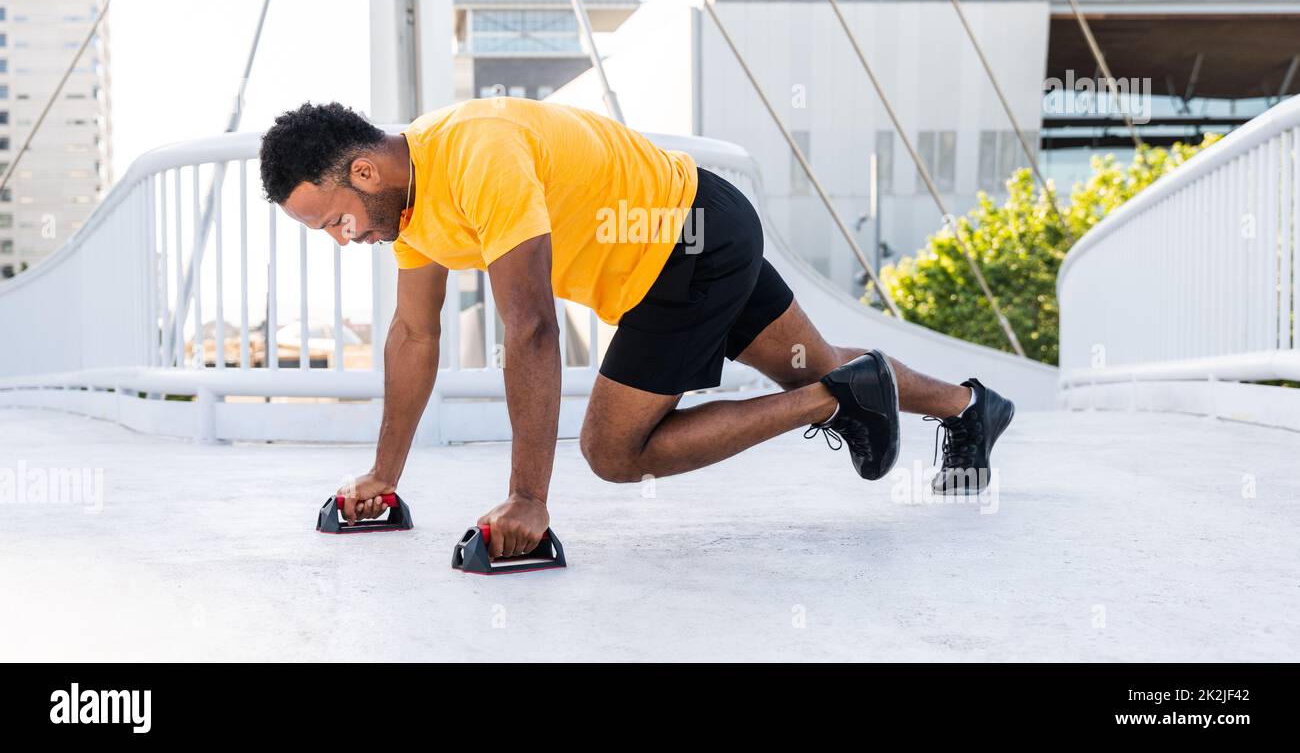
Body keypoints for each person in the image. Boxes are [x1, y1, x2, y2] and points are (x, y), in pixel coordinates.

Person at [259, 98, 1014, 559]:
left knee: (614, 451)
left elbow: (530, 330)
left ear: (363, 174)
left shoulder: (475, 153)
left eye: (334, 221)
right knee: (809, 361)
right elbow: (413, 337)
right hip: (700, 220)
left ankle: (835, 399)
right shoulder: (411, 208)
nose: (342, 236)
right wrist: (385, 478)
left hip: (684, 248)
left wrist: (528, 497)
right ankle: (970, 407)